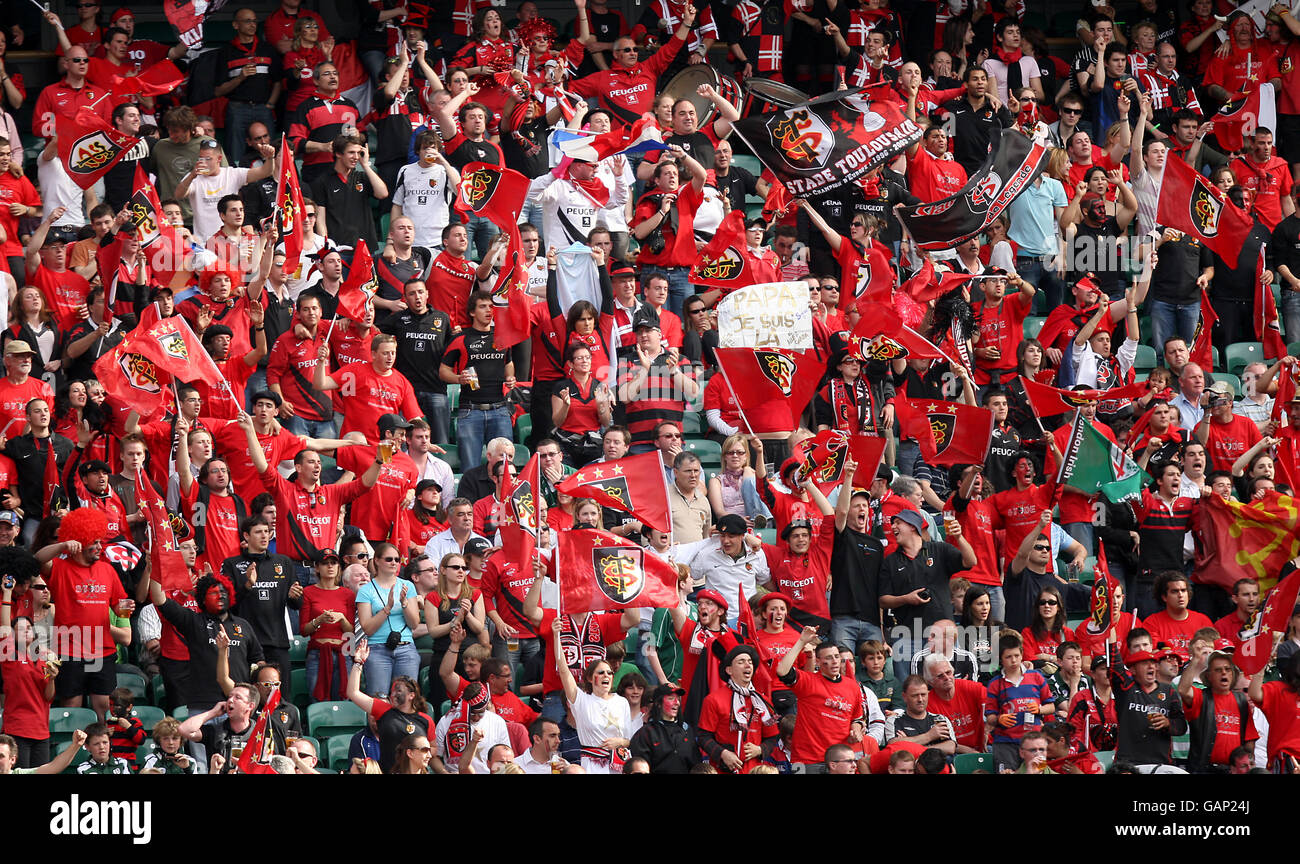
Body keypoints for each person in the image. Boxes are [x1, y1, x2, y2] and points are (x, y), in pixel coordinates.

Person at [775, 626, 867, 769]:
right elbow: (782, 671)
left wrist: (855, 730)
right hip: (808, 760)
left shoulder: (852, 686)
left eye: (837, 657)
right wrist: (801, 641)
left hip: (840, 760)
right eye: (828, 658)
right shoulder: (808, 681)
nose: (835, 661)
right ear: (818, 662)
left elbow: (856, 718)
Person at [551, 617, 632, 775]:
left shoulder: (622, 702)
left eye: (609, 673)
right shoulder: (581, 700)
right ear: (589, 678)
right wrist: (556, 637)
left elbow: (629, 739)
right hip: (592, 765)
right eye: (600, 673)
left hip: (619, 764)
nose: (606, 676)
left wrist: (621, 742)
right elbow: (563, 670)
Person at [346, 639, 433, 774]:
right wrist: (358, 663)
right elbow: (353, 693)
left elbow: (432, 749)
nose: (393, 694)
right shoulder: (384, 710)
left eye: (398, 690)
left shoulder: (425, 720)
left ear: (411, 695)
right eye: (392, 691)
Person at [695, 644, 778, 773]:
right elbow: (702, 737)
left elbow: (773, 737)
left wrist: (760, 749)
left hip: (754, 770)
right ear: (729, 670)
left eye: (750, 662)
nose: (748, 665)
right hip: (724, 769)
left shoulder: (764, 702)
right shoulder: (713, 699)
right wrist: (723, 754)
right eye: (741, 662)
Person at [355, 541, 421, 696]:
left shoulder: (407, 586)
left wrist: (404, 603)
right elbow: (368, 628)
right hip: (378, 648)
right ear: (376, 561)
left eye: (397, 560)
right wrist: (387, 608)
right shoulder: (366, 590)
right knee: (379, 699)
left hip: (405, 647)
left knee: (408, 699)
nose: (394, 563)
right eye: (389, 559)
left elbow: (414, 623)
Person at [984, 634, 1056, 770]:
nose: (1014, 660)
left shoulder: (1036, 676)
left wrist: (1039, 709)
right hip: (1005, 743)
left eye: (1017, 655)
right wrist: (999, 719)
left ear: (1022, 654)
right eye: (1008, 657)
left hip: (1035, 742)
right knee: (1007, 773)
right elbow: (990, 718)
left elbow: (1051, 706)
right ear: (1000, 659)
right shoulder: (994, 684)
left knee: (1039, 772)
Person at [629, 684, 698, 774]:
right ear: (658, 703)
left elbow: (695, 764)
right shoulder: (646, 733)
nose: (676, 702)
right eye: (671, 698)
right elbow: (639, 768)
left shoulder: (687, 731)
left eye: (678, 698)